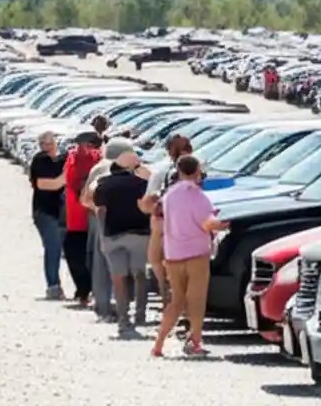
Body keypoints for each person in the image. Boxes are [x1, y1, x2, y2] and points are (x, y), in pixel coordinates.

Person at [150, 155, 228, 357]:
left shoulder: (169, 195)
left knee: (176, 301)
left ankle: (159, 343)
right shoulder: (198, 196)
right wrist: (223, 224)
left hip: (173, 253)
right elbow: (207, 223)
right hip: (196, 253)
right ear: (197, 171)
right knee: (196, 300)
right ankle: (195, 341)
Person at [94, 150, 153, 337]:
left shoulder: (104, 185)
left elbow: (96, 206)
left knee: (118, 278)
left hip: (113, 235)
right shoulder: (143, 184)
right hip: (139, 234)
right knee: (140, 274)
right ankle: (140, 314)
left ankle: (123, 320)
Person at [82, 137, 136, 323]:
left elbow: (85, 198)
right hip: (129, 221)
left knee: (101, 264)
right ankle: (122, 307)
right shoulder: (133, 168)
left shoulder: (98, 168)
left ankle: (103, 306)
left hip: (103, 220)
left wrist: (97, 208)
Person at [140, 134, 193, 306]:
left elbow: (149, 200)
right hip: (191, 225)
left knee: (158, 261)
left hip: (164, 223)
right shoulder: (200, 170)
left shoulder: (163, 171)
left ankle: (166, 294)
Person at [62, 132, 101, 307]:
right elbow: (71, 179)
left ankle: (87, 289)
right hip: (76, 217)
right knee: (75, 254)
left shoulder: (97, 159)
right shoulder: (74, 158)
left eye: (87, 144)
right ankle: (84, 289)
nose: (82, 148)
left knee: (85, 255)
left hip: (88, 216)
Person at [29, 131, 66, 299]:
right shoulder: (39, 160)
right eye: (44, 143)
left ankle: (57, 284)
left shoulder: (62, 159)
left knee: (60, 249)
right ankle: (53, 286)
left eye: (50, 143)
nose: (47, 147)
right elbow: (44, 184)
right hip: (44, 211)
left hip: (61, 211)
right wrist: (66, 176)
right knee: (53, 247)